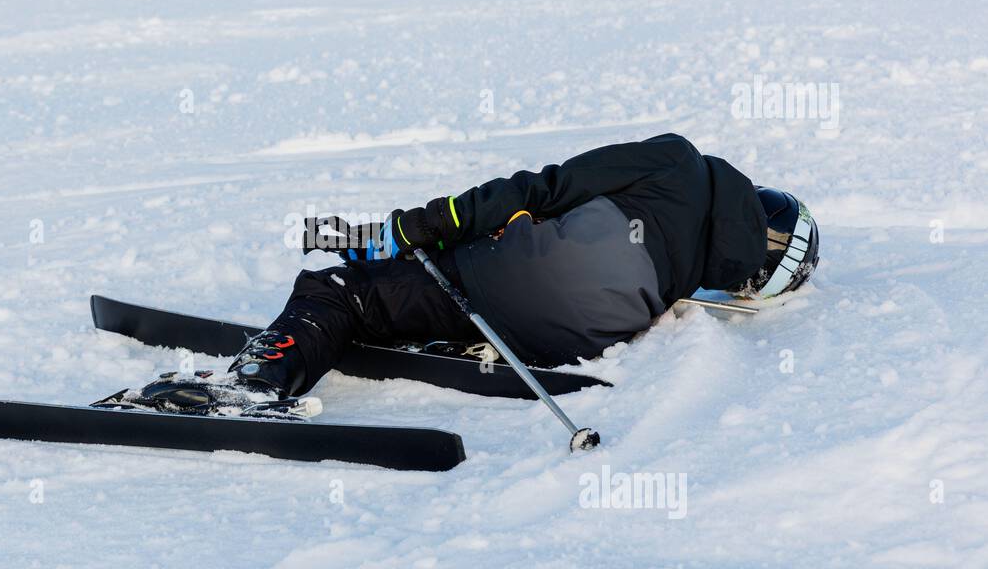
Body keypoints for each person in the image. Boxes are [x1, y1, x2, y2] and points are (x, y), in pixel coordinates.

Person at [144, 133, 819, 410]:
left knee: (339, 290)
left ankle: (259, 383)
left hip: (519, 273)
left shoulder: (679, 162)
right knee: (442, 290)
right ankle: (455, 330)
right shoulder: (716, 270)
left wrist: (416, 226)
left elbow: (541, 188)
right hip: (576, 335)